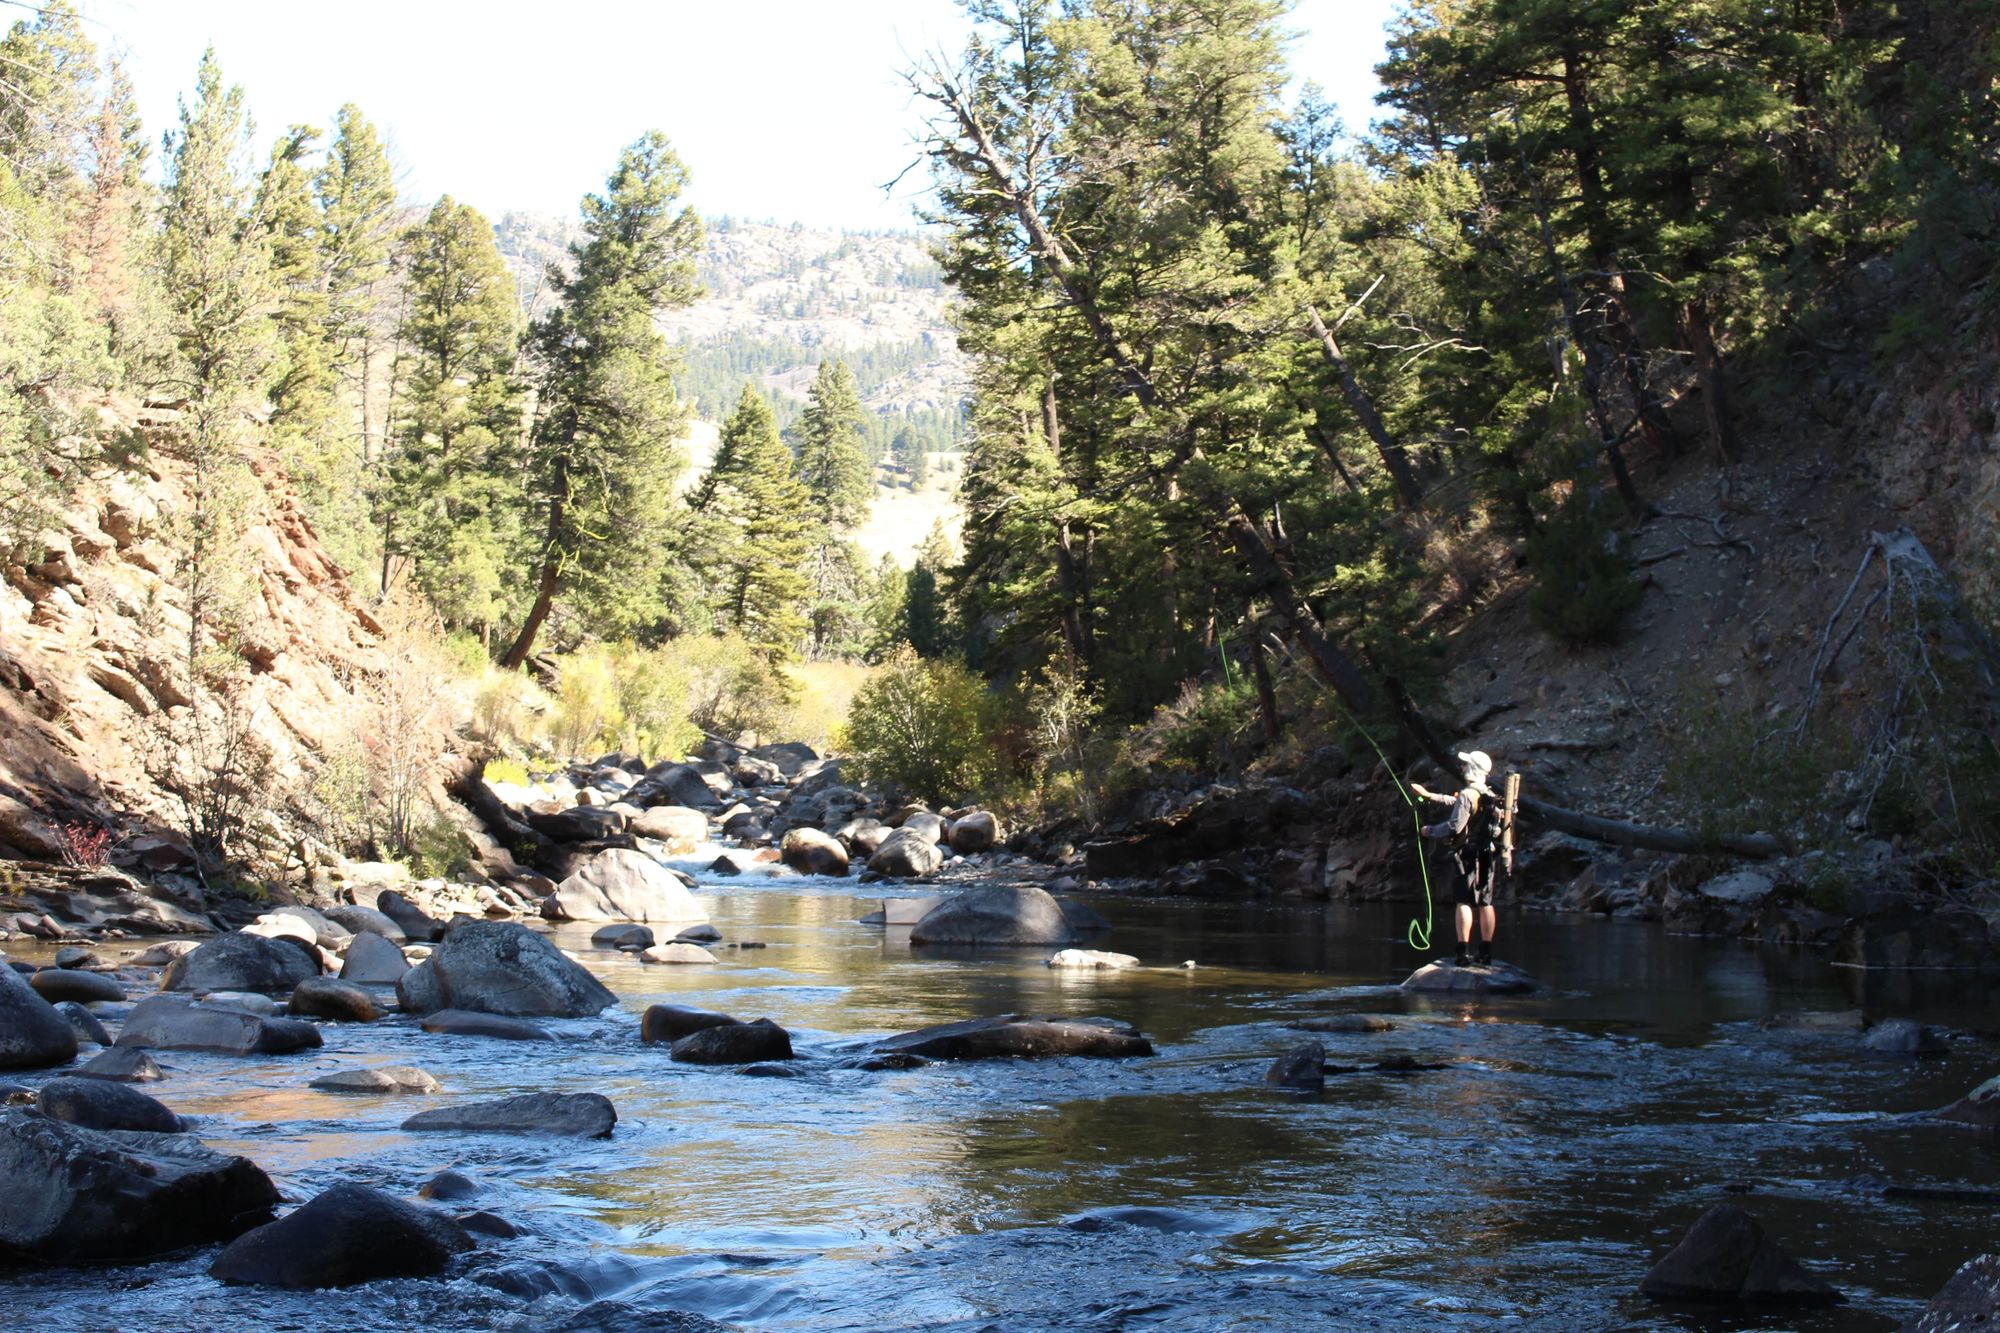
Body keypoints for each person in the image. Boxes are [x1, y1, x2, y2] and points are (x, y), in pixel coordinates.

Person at [1410, 750, 1506, 968]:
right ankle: (1486, 952)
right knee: (1485, 902)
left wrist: (1429, 831)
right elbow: (1458, 804)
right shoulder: (1489, 794)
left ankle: (1463, 953)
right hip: (1488, 854)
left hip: (1467, 854)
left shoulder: (1466, 795)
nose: (1461, 768)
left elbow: (1455, 826)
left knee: (1463, 901)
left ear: (1472, 769)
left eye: (1465, 765)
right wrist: (1430, 796)